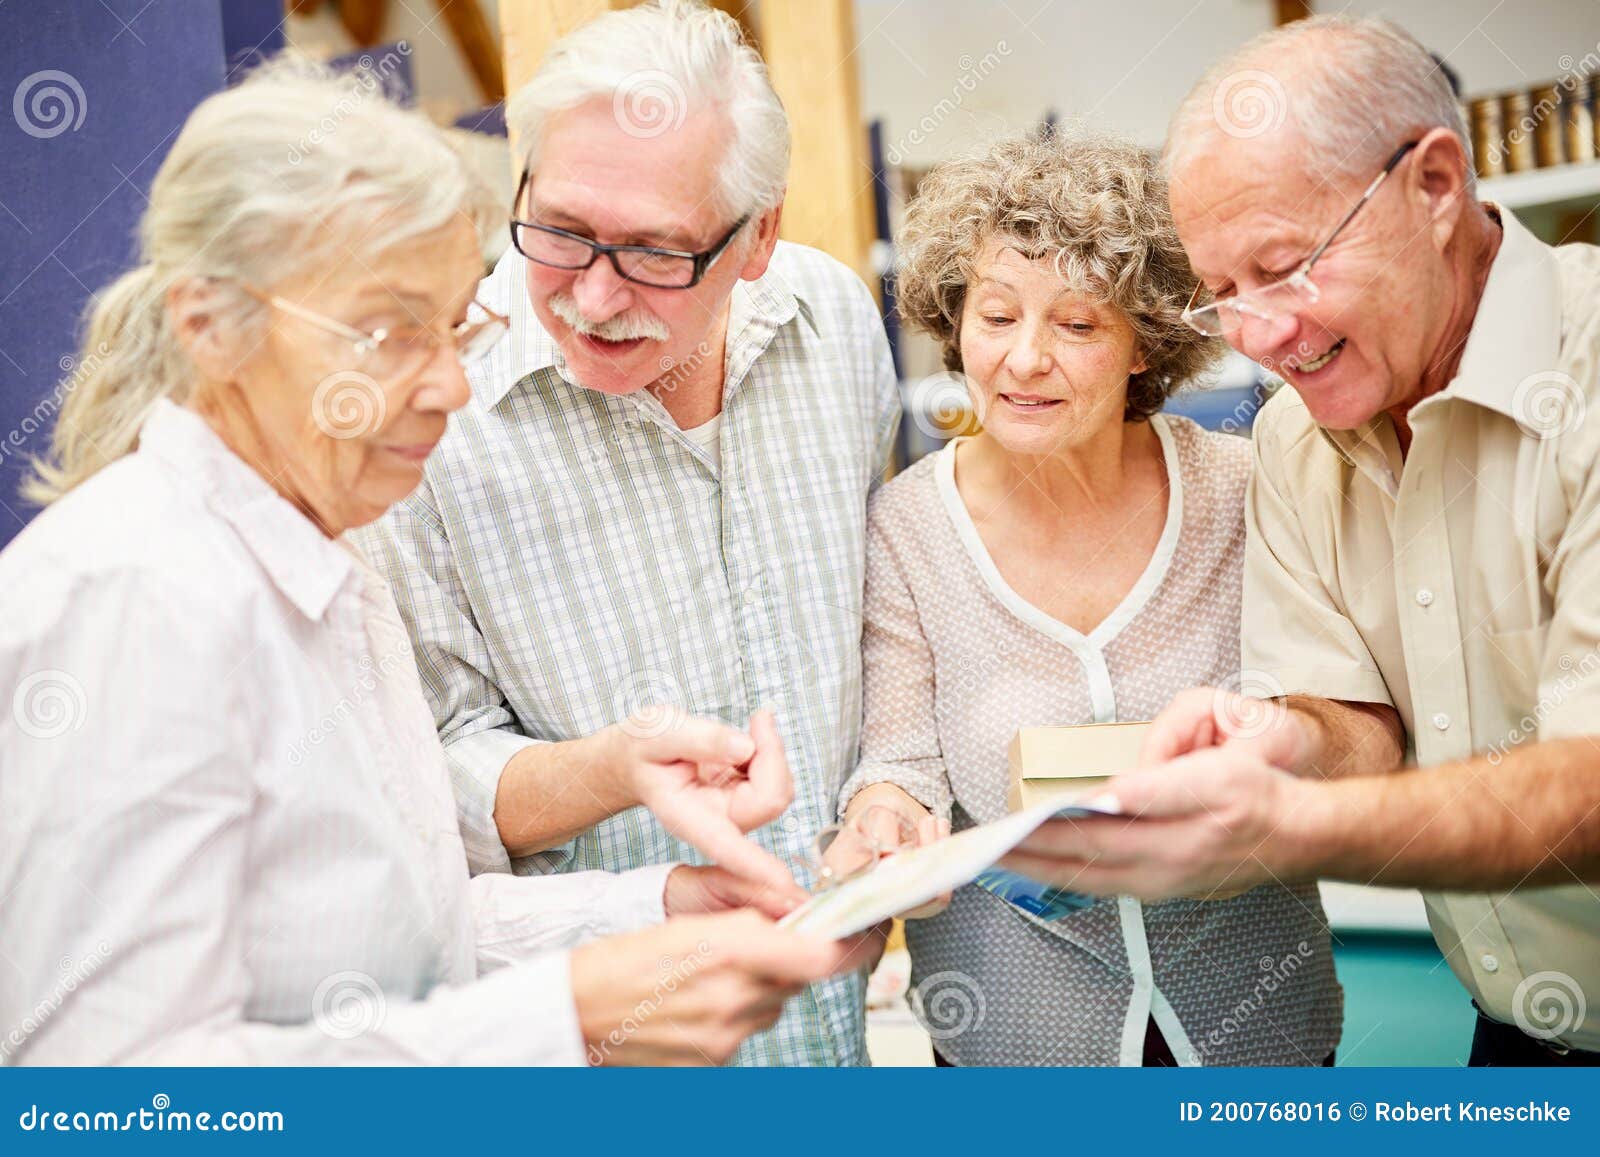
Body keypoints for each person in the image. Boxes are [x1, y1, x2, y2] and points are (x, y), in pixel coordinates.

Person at [0, 62, 869, 1067]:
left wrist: (649, 905)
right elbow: (101, 1098)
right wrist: (563, 1019)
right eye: (388, 333)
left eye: (455, 324)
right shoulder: (131, 597)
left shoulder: (330, 570)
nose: (453, 383)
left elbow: (406, 944)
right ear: (209, 326)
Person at [1004, 16, 1600, 1066]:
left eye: (1283, 266)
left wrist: (1284, 826)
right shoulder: (1294, 434)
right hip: (1520, 1033)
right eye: (1218, 288)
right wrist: (1284, 739)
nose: (1254, 335)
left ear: (1433, 184)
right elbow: (1356, 718)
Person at [352, 0, 898, 1065]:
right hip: (602, 1062)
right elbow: (426, 784)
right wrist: (611, 766)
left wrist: (886, 791)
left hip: (833, 1036)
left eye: (653, 252)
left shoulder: (834, 324)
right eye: (559, 229)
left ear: (759, 236)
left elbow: (879, 629)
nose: (593, 296)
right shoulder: (434, 413)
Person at [836, 131, 1340, 1066]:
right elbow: (899, 759)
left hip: (1254, 1020)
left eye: (1076, 325)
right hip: (1015, 1042)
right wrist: (885, 817)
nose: (1024, 360)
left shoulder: (1244, 486)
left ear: (1144, 345)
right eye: (995, 317)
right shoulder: (905, 526)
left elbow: (1333, 712)